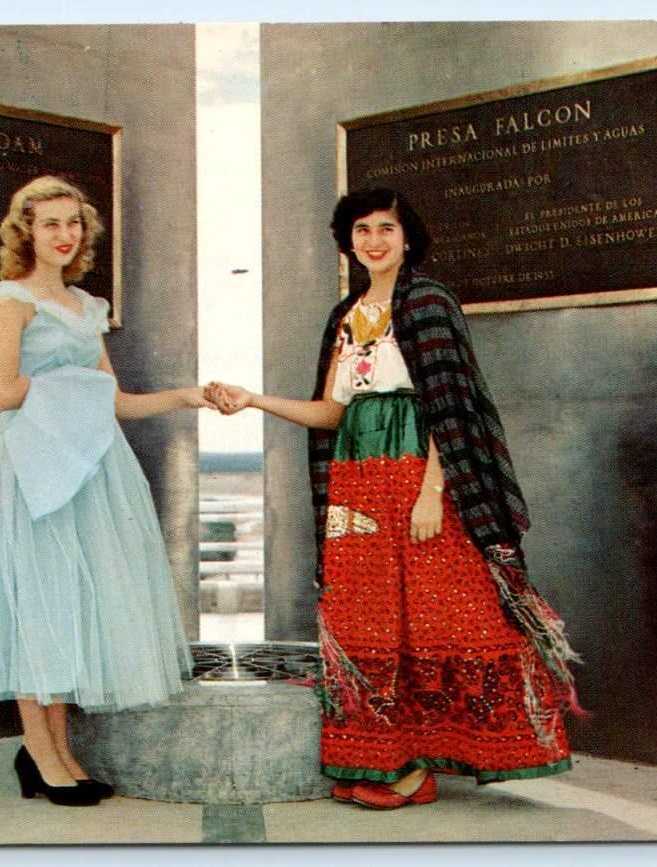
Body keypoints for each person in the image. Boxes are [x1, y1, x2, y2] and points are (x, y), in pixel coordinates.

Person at [206, 188, 583, 810]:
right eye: (362, 230)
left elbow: (452, 406)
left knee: (444, 613)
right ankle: (386, 763)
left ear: (408, 238)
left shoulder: (429, 301)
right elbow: (331, 412)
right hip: (356, 482)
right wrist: (254, 400)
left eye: (387, 228)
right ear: (348, 241)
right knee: (368, 619)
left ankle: (424, 764)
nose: (374, 240)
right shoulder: (346, 315)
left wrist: (434, 491)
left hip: (419, 477)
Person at [0, 175, 205, 807]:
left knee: (70, 599)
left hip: (90, 462)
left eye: (73, 224)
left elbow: (115, 399)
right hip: (34, 461)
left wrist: (188, 395)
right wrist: (76, 387)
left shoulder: (85, 307)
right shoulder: (10, 300)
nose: (64, 236)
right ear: (27, 233)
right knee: (36, 601)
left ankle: (61, 749)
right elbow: (4, 392)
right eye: (51, 225)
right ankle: (39, 751)